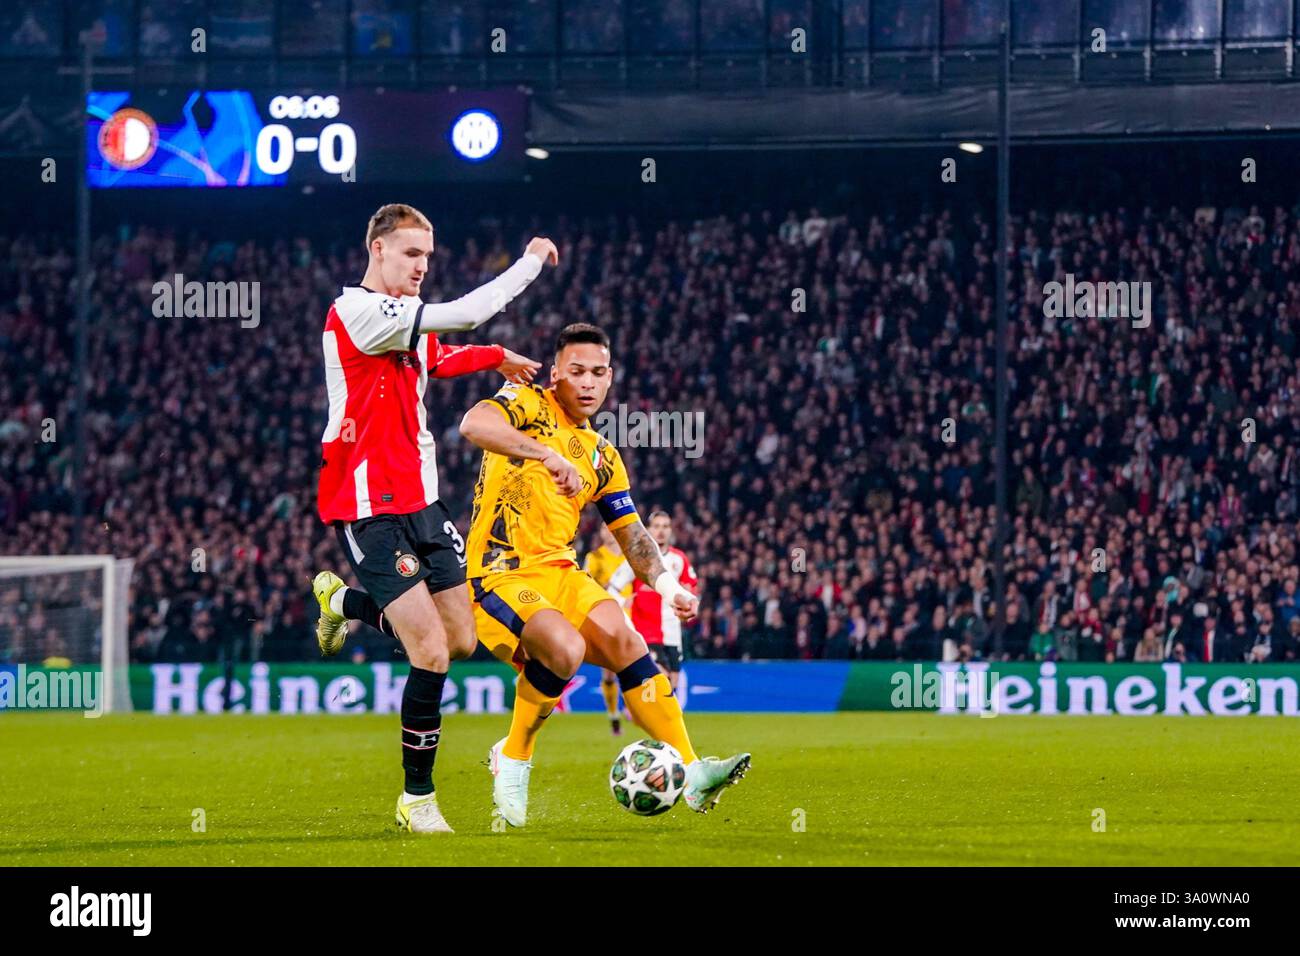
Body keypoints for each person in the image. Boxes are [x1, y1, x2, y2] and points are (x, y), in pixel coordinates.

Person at [310, 203, 557, 834]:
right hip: (369, 506)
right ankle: (416, 798)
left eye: (428, 255)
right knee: (430, 653)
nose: (422, 266)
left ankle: (343, 603)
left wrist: (496, 356)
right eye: (411, 253)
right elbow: (465, 314)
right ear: (378, 250)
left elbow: (441, 355)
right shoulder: (357, 311)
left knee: (460, 640)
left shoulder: (406, 323)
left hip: (422, 501)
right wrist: (530, 262)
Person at [458, 322, 750, 827]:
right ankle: (514, 754)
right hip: (501, 571)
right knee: (565, 648)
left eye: (597, 373)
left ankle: (693, 769)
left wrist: (668, 586)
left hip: (561, 572)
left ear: (610, 377)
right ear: (555, 374)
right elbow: (473, 424)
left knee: (627, 641)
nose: (587, 382)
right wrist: (545, 454)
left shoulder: (602, 455)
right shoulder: (526, 402)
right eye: (576, 372)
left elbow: (633, 535)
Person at [623, 511, 697, 694]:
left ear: (671, 530)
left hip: (672, 632)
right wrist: (622, 602)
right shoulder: (639, 558)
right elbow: (615, 586)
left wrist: (688, 604)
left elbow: (690, 590)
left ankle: (635, 707)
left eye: (665, 526)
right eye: (656, 526)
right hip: (646, 631)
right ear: (648, 529)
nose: (661, 531)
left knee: (672, 685)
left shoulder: (679, 559)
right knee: (660, 679)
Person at [582, 525, 633, 735]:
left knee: (634, 666)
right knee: (610, 674)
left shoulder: (630, 556)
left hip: (633, 619)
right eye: (604, 528)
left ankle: (633, 708)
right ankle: (613, 715)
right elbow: (584, 585)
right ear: (601, 533)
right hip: (608, 619)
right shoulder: (595, 557)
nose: (609, 531)